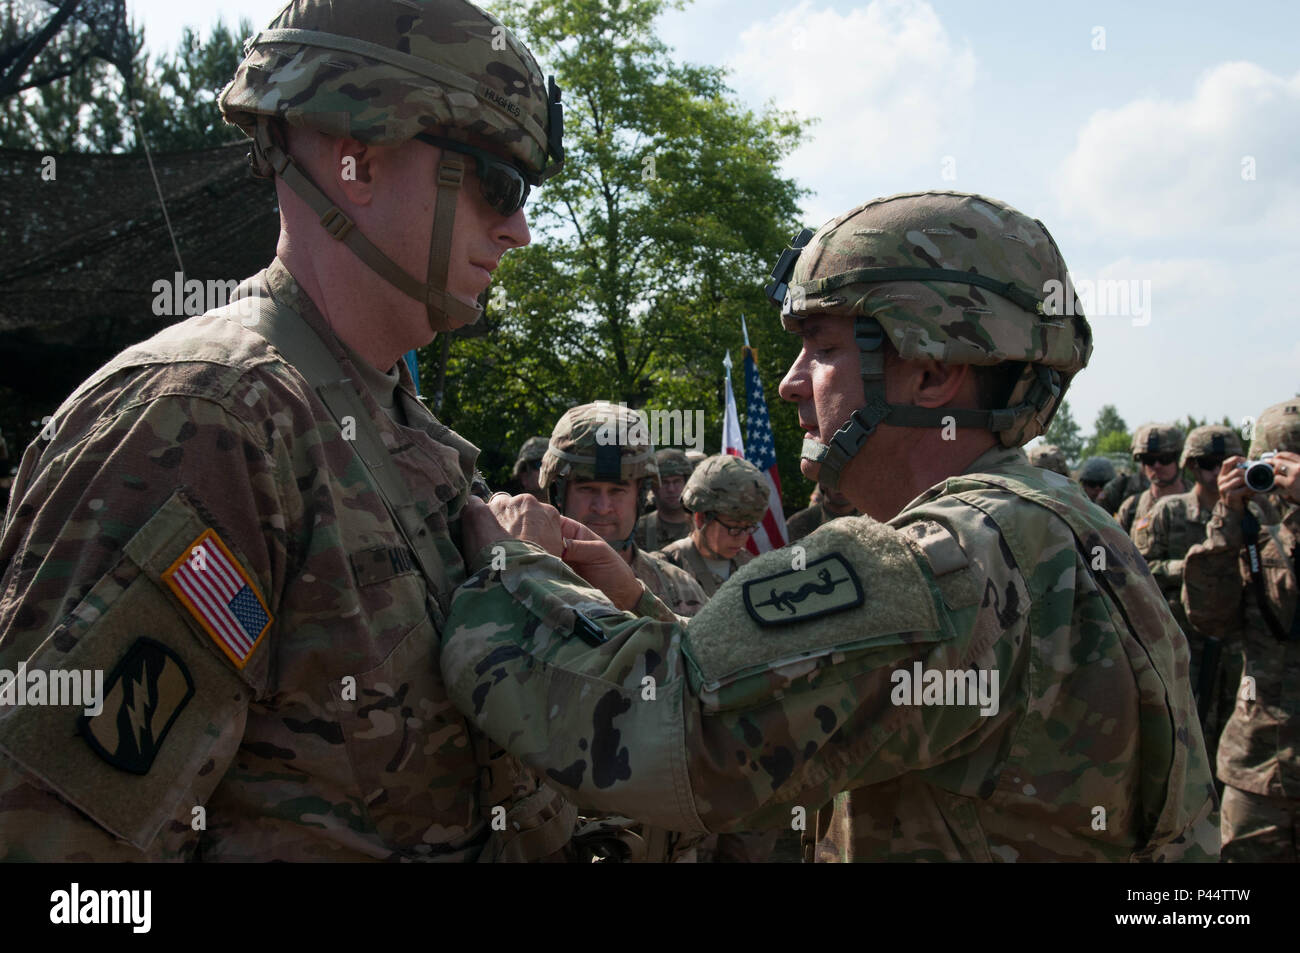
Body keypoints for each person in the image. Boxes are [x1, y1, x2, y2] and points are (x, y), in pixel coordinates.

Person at [441, 190, 1219, 862]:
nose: (789, 385)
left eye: (821, 348)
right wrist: (643, 614)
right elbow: (801, 699)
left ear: (932, 368)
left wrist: (513, 566)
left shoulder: (942, 560)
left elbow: (668, 740)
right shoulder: (1052, 524)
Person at [0, 0, 575, 862]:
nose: (518, 228)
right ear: (359, 160)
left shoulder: (404, 437)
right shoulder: (205, 421)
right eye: (499, 183)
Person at [1182, 400, 1300, 861]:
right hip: (1258, 765)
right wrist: (1226, 521)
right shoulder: (1249, 529)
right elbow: (1209, 618)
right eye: (1267, 467)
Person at [1135, 426, 1244, 771]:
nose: (1215, 472)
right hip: (1183, 639)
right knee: (1185, 725)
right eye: (1205, 464)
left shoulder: (1257, 513)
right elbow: (1140, 569)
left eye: (1223, 463)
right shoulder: (1169, 512)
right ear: (1191, 467)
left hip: (1242, 642)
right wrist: (1192, 568)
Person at [539, 403, 706, 619]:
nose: (602, 507)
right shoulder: (525, 582)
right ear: (559, 493)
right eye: (586, 489)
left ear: (639, 495)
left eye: (617, 491)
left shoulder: (681, 589)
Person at [658, 454, 767, 598]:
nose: (742, 538)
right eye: (734, 528)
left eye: (748, 528)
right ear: (701, 518)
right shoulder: (663, 570)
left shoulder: (750, 566)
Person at [1117, 423, 1188, 533]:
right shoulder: (1131, 508)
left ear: (1178, 459)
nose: (1157, 466)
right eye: (1149, 459)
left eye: (1165, 458)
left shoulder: (1201, 503)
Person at [635, 449, 694, 551]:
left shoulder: (702, 528)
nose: (671, 489)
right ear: (653, 486)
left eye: (676, 481)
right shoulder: (638, 530)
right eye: (664, 482)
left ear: (686, 483)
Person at [785, 481, 859, 542]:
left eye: (846, 479)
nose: (839, 486)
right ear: (822, 484)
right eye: (834, 479)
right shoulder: (799, 524)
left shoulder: (869, 520)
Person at [512, 435, 549, 501]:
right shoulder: (512, 509)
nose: (550, 469)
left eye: (552, 463)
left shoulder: (568, 505)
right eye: (541, 463)